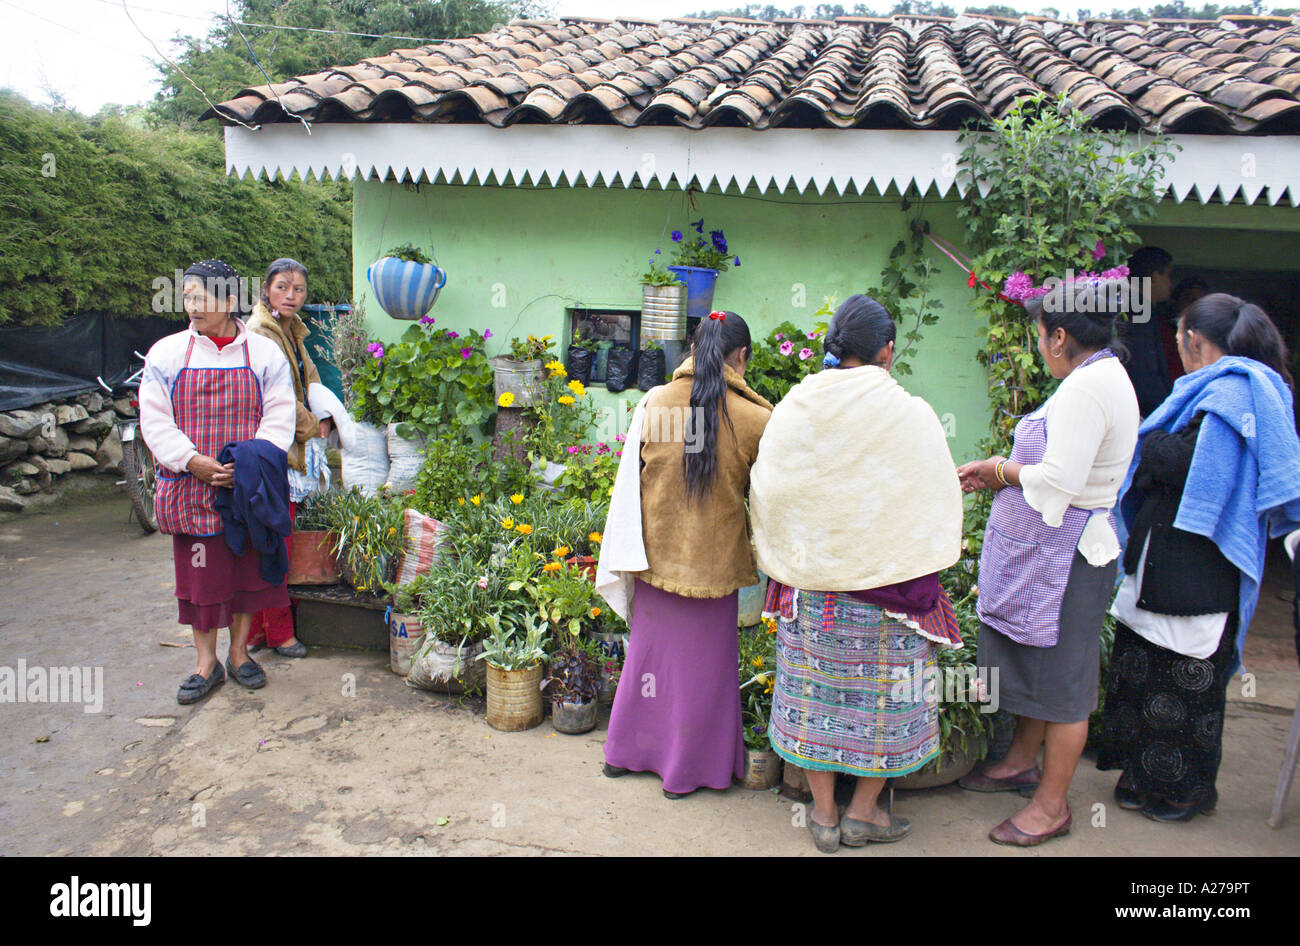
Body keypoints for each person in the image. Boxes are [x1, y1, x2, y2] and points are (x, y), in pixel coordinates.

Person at [747, 295, 965, 853]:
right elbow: (934, 495)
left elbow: (769, 486)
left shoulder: (797, 404)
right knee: (888, 703)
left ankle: (822, 815)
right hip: (888, 593)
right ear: (887, 351)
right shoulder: (910, 413)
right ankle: (864, 812)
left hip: (813, 589)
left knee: (815, 697)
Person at [1096, 294, 1300, 822]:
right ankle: (1141, 776)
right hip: (1164, 553)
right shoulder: (1208, 391)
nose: (1180, 345)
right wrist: (1156, 454)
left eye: (1183, 335)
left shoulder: (1236, 392)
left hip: (1200, 562)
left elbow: (1195, 467)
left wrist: (1155, 451)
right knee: (1144, 667)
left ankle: (1183, 790)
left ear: (1196, 341)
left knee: (1186, 676)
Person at [957, 279, 1139, 847]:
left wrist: (999, 470)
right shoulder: (1095, 378)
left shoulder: (1089, 390)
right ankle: (1020, 760)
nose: (1038, 346)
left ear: (1060, 336)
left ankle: (1051, 806)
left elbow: (1059, 479)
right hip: (1049, 554)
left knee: (1063, 683)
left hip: (1069, 559)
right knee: (1038, 663)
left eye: (1039, 335)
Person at [595, 311, 773, 798]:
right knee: (703, 673)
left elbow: (627, 489)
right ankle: (689, 772)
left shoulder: (655, 402)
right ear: (741, 356)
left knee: (649, 664)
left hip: (657, 560)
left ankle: (625, 754)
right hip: (713, 567)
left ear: (693, 349)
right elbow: (771, 502)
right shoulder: (758, 418)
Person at [139, 260, 297, 704]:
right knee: (202, 580)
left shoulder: (264, 354)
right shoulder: (167, 354)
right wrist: (193, 461)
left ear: (230, 302)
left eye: (202, 298)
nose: (192, 306)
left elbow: (280, 414)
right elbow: (154, 418)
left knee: (245, 574)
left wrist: (249, 464)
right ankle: (205, 663)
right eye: (187, 297)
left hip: (245, 489)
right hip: (193, 487)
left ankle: (240, 654)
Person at [246, 258, 330, 658]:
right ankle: (277, 632)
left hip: (289, 446)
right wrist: (314, 426)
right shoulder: (261, 333)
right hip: (274, 449)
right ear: (266, 290)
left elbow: (309, 376)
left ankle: (260, 631)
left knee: (281, 537)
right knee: (276, 540)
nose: (291, 295)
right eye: (282, 287)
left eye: (298, 289)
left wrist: (325, 414)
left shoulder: (292, 330)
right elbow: (276, 397)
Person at [1122, 246, 1175, 417]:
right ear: (1154, 277)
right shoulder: (1139, 310)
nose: (1170, 284)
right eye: (1168, 275)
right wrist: (1163, 410)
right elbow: (1145, 366)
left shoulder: (1130, 305)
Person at [1162, 276, 1210, 384]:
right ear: (1175, 302)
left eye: (1200, 302)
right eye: (1189, 299)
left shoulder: (1212, 337)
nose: (1194, 306)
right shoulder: (1164, 332)